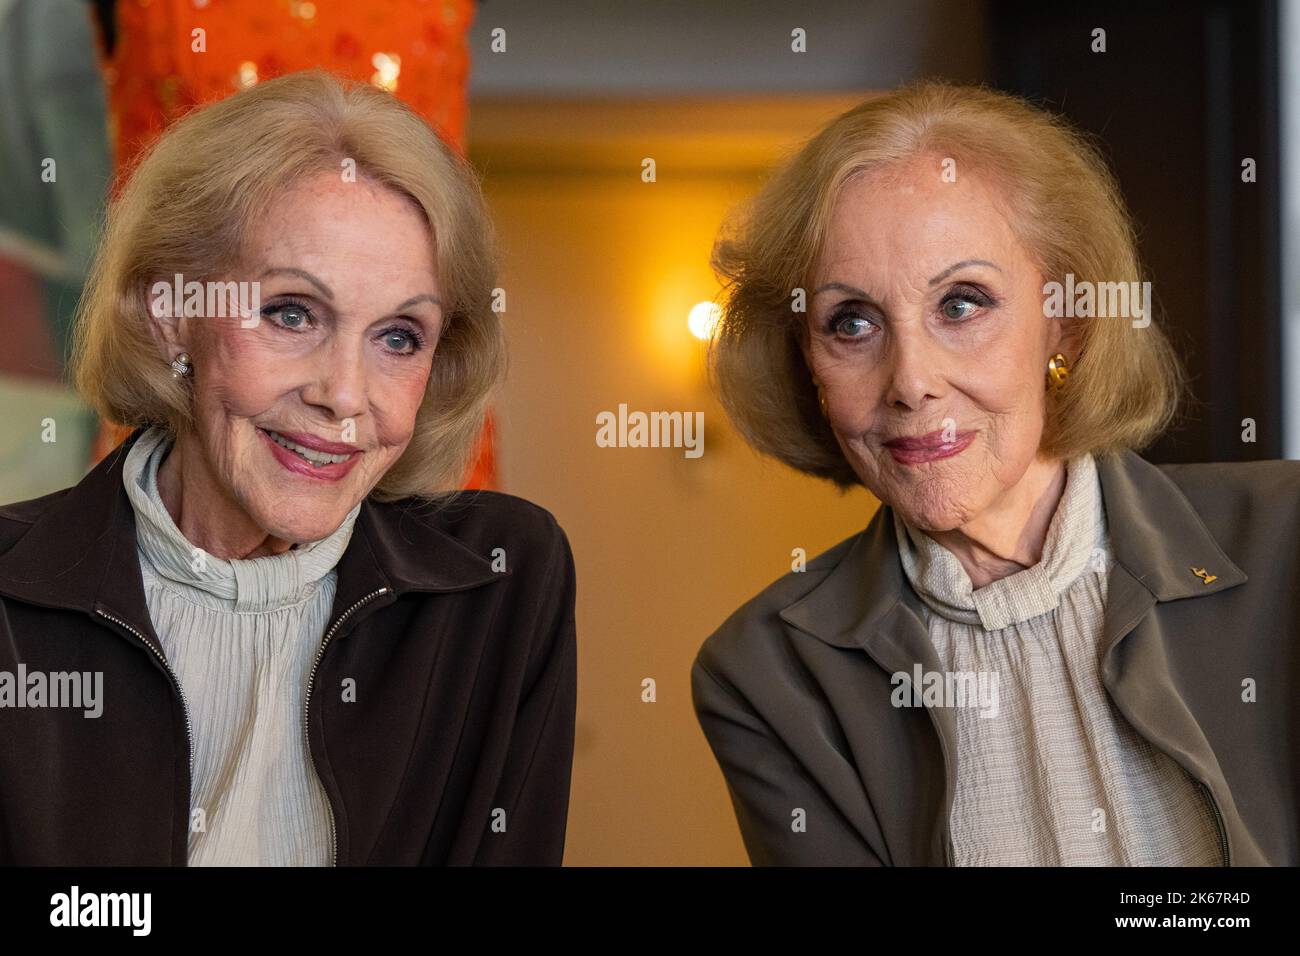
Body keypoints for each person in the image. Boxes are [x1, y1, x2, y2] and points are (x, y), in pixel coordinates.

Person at [692, 80, 1300, 866]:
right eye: (851, 321)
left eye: (962, 303)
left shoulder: (1286, 541)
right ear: (803, 361)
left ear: (1067, 323)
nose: (911, 380)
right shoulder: (768, 673)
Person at [0, 70, 577, 866]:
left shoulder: (498, 583)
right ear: (171, 315)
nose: (345, 395)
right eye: (291, 313)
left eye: (399, 337)